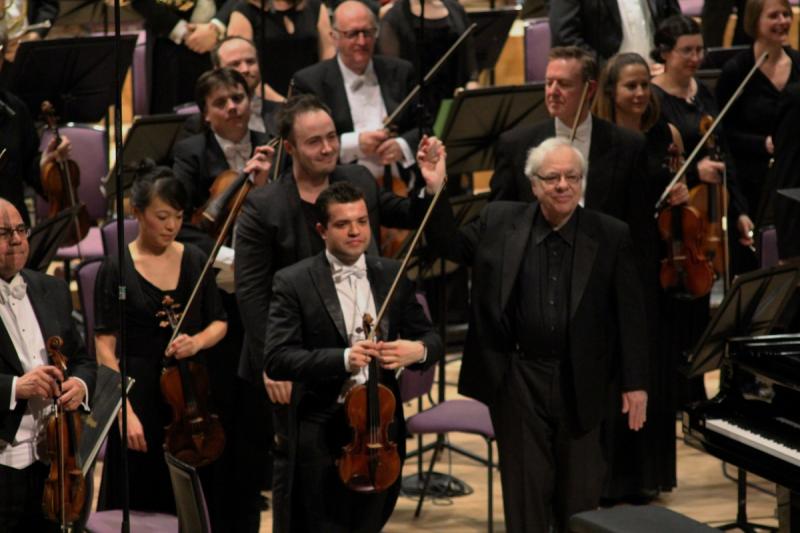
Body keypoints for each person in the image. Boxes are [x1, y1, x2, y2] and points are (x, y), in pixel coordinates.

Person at [233, 93, 445, 532]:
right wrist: (270, 365)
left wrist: (428, 185)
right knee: (300, 482)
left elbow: (407, 214)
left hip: (359, 378)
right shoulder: (266, 205)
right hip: (294, 365)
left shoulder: (357, 182)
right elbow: (252, 293)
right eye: (315, 142)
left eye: (332, 137)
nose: (328, 148)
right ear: (290, 148)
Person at [426, 137, 648, 532]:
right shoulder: (499, 221)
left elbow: (630, 314)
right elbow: (449, 245)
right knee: (525, 496)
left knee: (578, 498)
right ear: (533, 184)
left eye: (572, 177)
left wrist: (635, 383)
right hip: (518, 379)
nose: (563, 185)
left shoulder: (611, 234)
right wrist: (435, 188)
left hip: (581, 379)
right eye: (552, 177)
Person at [263, 179, 443, 532]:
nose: (355, 231)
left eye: (361, 221)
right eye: (343, 224)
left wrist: (416, 351)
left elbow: (431, 338)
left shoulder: (390, 274)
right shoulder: (293, 282)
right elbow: (278, 358)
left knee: (370, 521)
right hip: (321, 422)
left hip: (381, 426)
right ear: (322, 229)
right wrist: (343, 358)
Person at [95, 170, 228, 515]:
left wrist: (196, 342)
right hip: (138, 394)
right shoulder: (116, 268)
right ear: (137, 212)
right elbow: (104, 346)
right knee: (138, 496)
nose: (171, 226)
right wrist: (123, 409)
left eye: (179, 217)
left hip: (188, 395)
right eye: (162, 217)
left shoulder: (195, 259)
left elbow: (219, 322)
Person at [593, 51, 687, 503]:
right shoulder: (601, 142)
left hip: (655, 264)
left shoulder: (664, 135)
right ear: (610, 91)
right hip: (613, 264)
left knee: (651, 367)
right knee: (618, 370)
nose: (638, 93)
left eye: (643, 85)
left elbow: (677, 195)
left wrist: (682, 194)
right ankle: (614, 476)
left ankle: (648, 475)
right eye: (629, 85)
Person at [490, 46, 649, 249]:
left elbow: (641, 229)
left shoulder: (629, 146)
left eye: (564, 84)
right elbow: (501, 221)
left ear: (589, 89)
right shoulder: (515, 145)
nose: (553, 92)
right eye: (549, 83)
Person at [0, 197, 95, 533]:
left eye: (21, 230)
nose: (16, 239)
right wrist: (16, 387)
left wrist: (79, 386)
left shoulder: (50, 288)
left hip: (55, 459)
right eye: (3, 232)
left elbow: (83, 360)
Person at [650, 15, 756, 277]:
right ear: (664, 53)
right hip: (678, 217)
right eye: (687, 51)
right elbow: (654, 165)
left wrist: (740, 210)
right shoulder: (654, 102)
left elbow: (724, 153)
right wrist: (696, 172)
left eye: (699, 50)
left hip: (716, 208)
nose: (696, 58)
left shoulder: (704, 93)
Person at [293, 0, 419, 181]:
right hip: (341, 190)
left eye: (367, 33)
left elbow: (425, 127)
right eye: (352, 34)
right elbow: (304, 145)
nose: (362, 41)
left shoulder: (401, 71)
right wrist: (355, 144)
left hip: (401, 186)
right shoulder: (310, 82)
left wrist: (401, 146)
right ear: (334, 37)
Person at [717, 0, 800, 227]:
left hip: (794, 177)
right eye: (774, 16)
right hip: (751, 182)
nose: (783, 21)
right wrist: (761, 144)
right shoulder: (737, 70)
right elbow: (724, 133)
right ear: (755, 22)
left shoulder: (799, 64)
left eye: (786, 14)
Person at [172, 67, 275, 217]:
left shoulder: (273, 146)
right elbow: (180, 217)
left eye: (238, 98)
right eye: (221, 103)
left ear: (250, 102)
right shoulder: (190, 153)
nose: (232, 107)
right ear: (206, 114)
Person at [378, 0, 479, 123]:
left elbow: (468, 55)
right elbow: (393, 72)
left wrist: (472, 84)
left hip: (453, 100)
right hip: (417, 106)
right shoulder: (395, 16)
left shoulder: (455, 8)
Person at [131, 0, 239, 113]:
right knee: (173, 118)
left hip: (226, 38)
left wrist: (217, 26)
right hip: (169, 44)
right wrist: (183, 32)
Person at [180, 36, 284, 140]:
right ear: (217, 70)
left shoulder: (284, 113)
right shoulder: (196, 125)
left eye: (250, 61)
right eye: (235, 64)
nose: (245, 69)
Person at [227, 0, 335, 97]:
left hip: (312, 98)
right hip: (265, 102)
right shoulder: (245, 10)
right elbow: (241, 73)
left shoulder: (315, 6)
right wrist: (282, 103)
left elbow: (328, 63)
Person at [549, 0, 680, 63]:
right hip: (601, 89)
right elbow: (565, 38)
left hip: (657, 83)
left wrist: (668, 63)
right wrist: (610, 73)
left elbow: (675, 25)